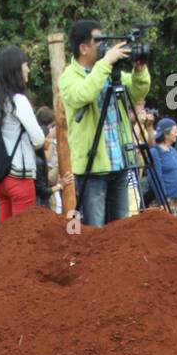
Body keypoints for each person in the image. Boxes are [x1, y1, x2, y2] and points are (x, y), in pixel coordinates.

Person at [58, 19, 151, 227]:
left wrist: (139, 70)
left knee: (121, 230)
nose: (105, 47)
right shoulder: (68, 77)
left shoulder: (108, 71)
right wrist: (105, 64)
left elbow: (137, 92)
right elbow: (84, 94)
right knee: (96, 233)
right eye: (99, 41)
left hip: (119, 162)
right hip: (93, 169)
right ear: (83, 48)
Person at [0, 45, 45, 223]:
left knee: (5, 237)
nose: (28, 69)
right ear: (16, 69)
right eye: (25, 65)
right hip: (19, 176)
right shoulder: (18, 101)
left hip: (0, 178)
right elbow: (39, 139)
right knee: (23, 237)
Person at [148, 118, 177, 218]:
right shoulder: (155, 152)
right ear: (166, 134)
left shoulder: (174, 151)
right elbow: (156, 178)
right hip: (166, 203)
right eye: (174, 132)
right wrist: (162, 201)